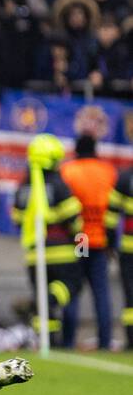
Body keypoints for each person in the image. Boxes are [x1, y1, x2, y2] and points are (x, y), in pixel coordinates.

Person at [10, 134, 84, 341]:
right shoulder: (59, 184)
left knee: (42, 301)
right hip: (63, 253)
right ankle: (47, 300)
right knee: (73, 284)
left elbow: (17, 221)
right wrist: (83, 250)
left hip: (35, 254)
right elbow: (74, 221)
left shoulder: (23, 188)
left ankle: (48, 340)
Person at [60, 134, 117, 349]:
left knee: (73, 290)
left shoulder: (69, 171)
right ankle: (105, 341)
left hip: (79, 239)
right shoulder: (107, 171)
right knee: (101, 293)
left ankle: (68, 340)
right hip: (100, 239)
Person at [110, 167, 133, 349]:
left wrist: (109, 243)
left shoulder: (126, 177)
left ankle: (131, 340)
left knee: (130, 296)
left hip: (128, 248)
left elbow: (111, 212)